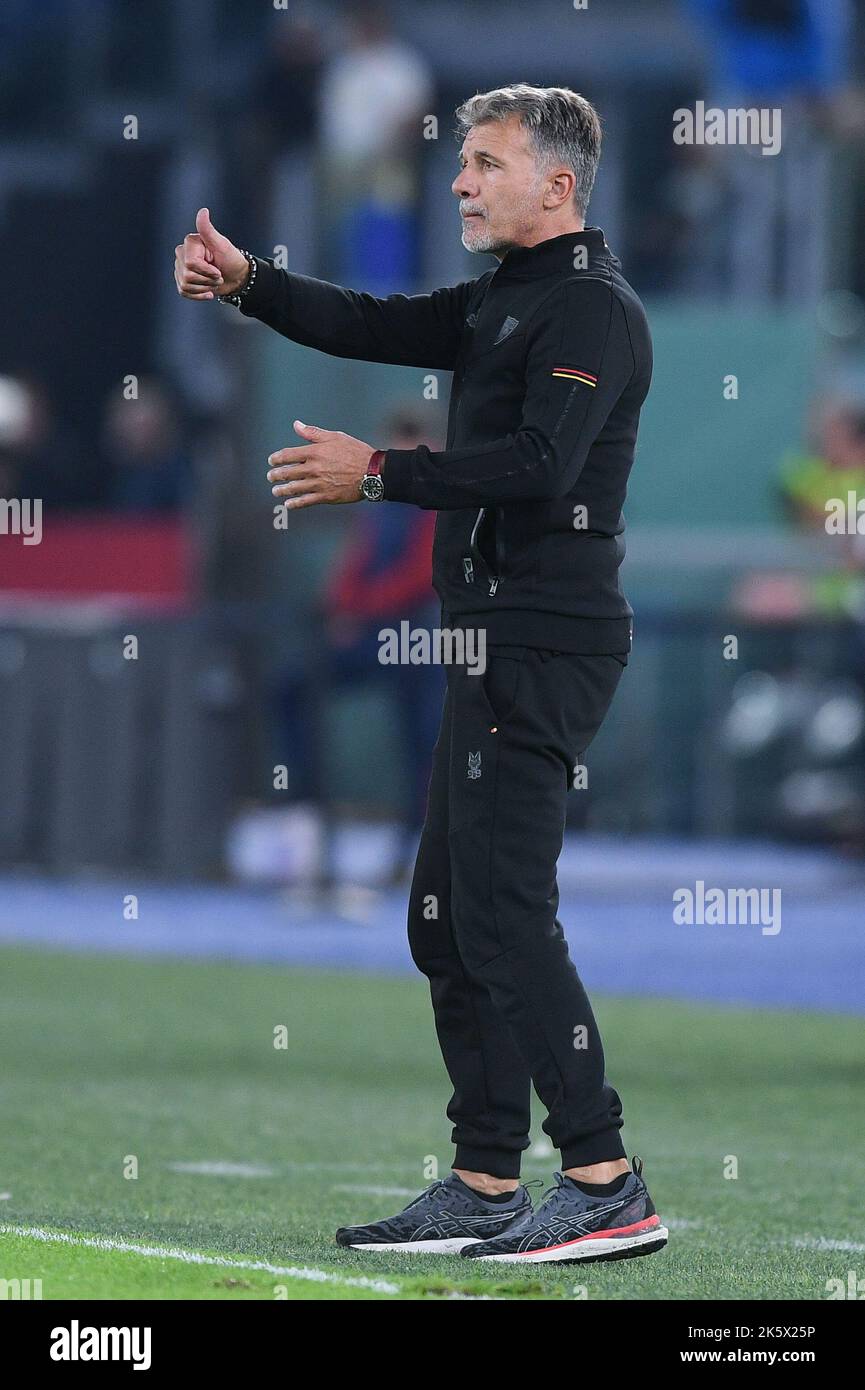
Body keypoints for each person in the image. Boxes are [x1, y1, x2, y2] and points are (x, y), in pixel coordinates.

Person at [174, 83, 666, 1266]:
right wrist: (252, 284)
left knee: (501, 911)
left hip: (542, 638)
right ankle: (487, 1177)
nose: (460, 181)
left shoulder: (592, 310)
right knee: (445, 918)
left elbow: (543, 466)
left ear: (555, 186)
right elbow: (371, 321)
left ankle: (602, 1176)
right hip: (487, 635)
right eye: (463, 162)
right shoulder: (510, 296)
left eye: (485, 163)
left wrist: (382, 476)